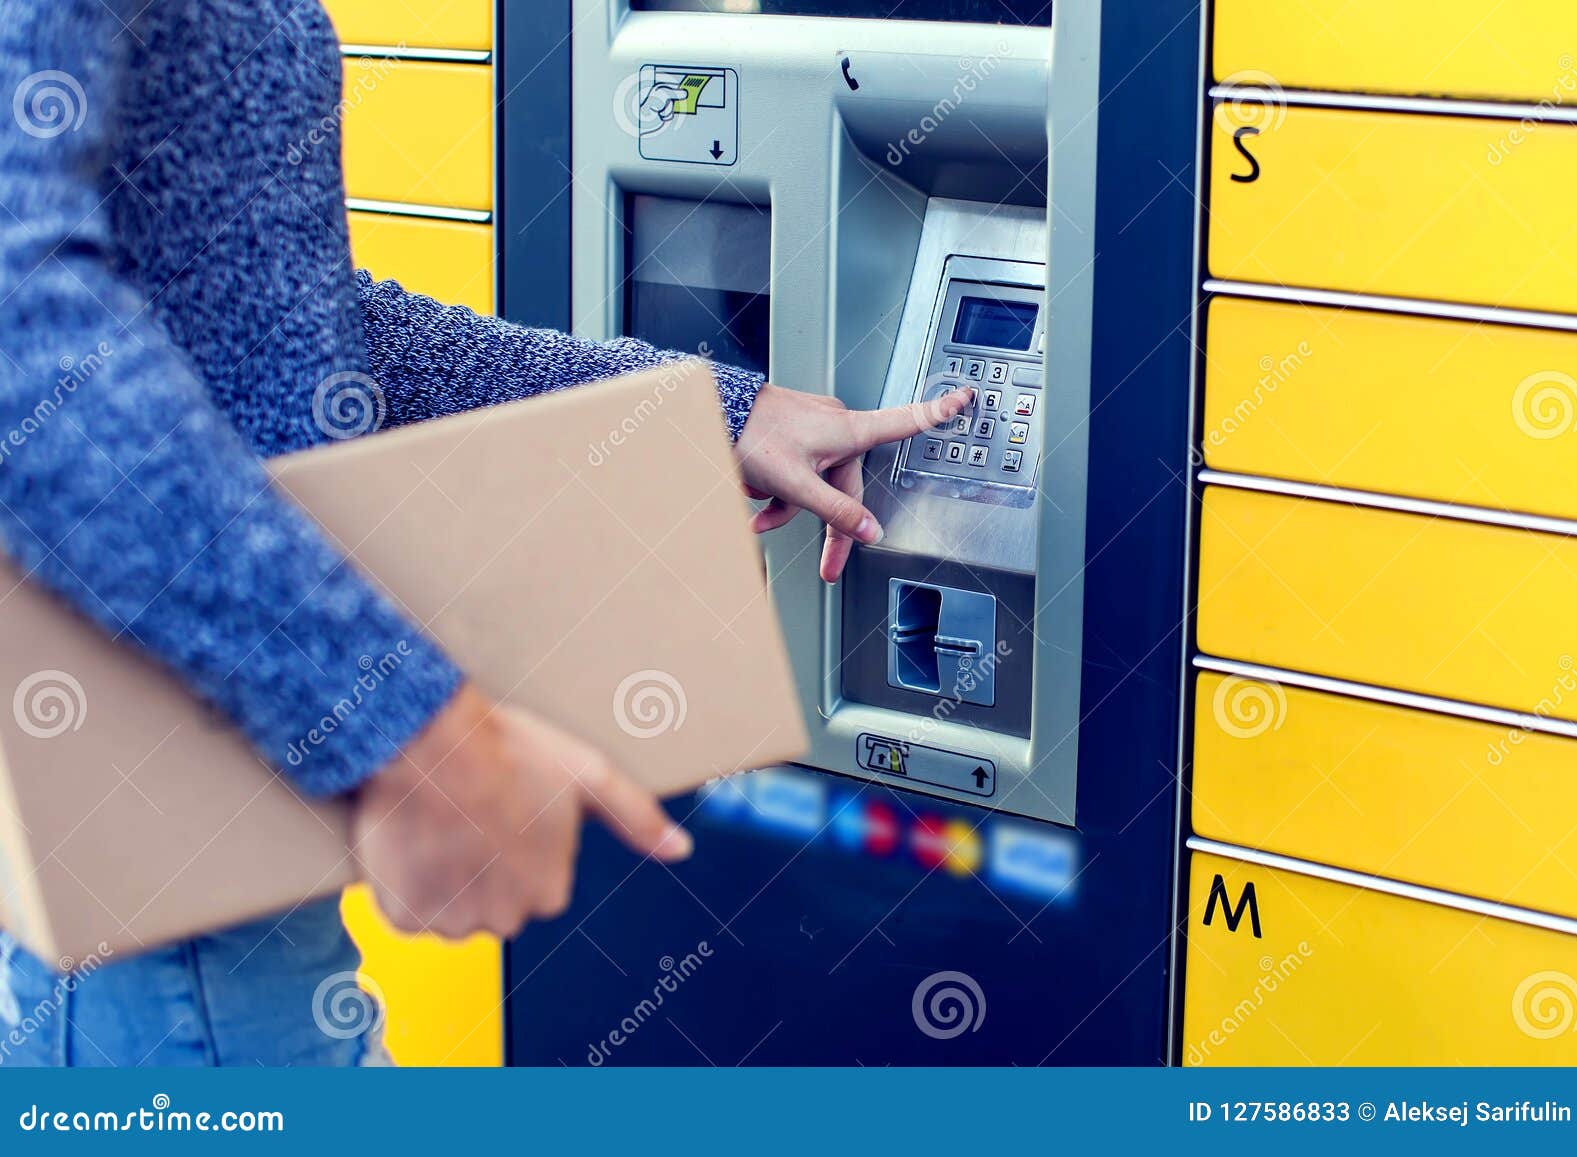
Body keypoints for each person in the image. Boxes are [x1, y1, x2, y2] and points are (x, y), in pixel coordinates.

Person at [0, 1, 972, 1066]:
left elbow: (279, 319)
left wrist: (703, 408)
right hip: (163, 847)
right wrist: (410, 729)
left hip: (199, 817)